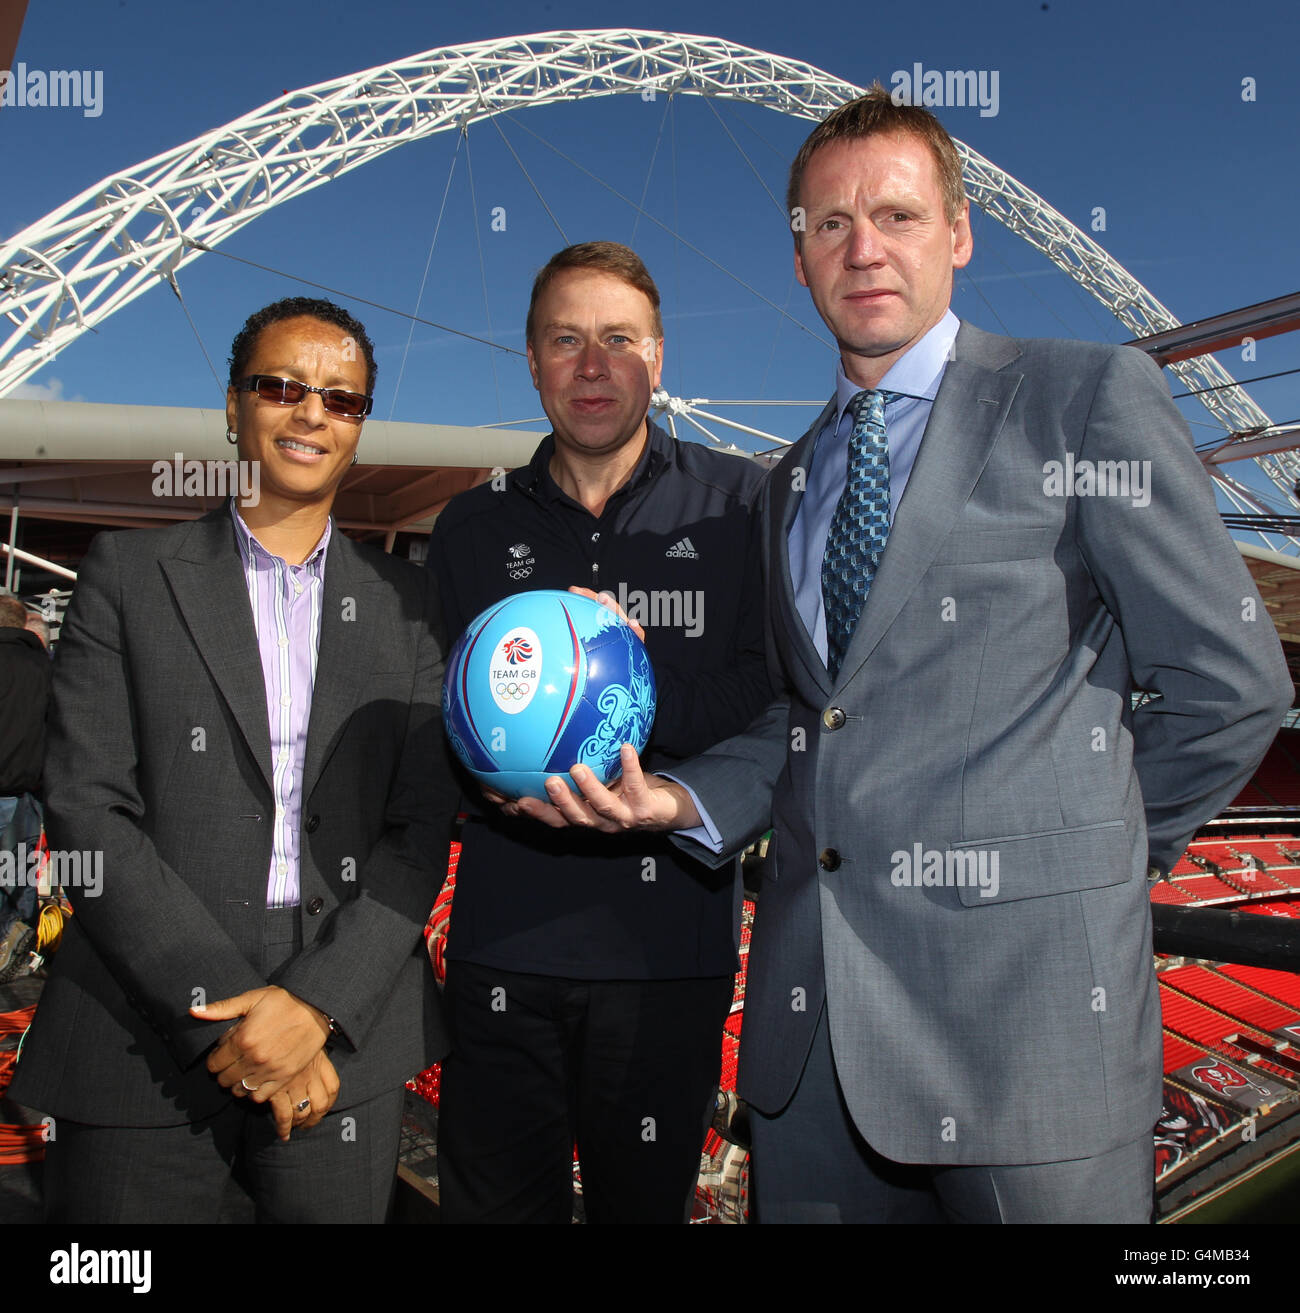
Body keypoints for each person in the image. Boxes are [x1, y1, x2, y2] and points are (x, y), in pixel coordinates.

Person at [512, 91, 1293, 1223]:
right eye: (829, 224)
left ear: (960, 234)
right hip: (815, 1044)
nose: (863, 247)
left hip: (1025, 1032)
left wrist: (1075, 862)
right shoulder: (785, 483)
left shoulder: (1080, 401)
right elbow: (805, 715)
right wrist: (670, 798)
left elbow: (1228, 685)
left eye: (897, 213)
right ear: (798, 257)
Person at [10, 296, 457, 1222]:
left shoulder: (411, 610)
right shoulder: (127, 578)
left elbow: (417, 832)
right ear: (230, 406)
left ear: (359, 428)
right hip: (142, 1038)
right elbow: (88, 805)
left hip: (344, 1049)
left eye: (341, 399)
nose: (311, 413)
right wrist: (228, 1005)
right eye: (281, 386)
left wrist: (316, 1008)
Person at [428, 241, 769, 1223]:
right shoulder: (469, 526)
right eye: (564, 339)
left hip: (667, 951)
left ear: (657, 358)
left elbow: (777, 692)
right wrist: (482, 769)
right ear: (530, 360)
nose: (591, 364)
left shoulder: (744, 505)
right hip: (505, 947)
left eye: (617, 339)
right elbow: (439, 708)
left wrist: (625, 697)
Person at [0, 593, 50, 982]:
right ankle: (15, 947)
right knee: (16, 877)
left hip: (16, 793)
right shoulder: (46, 667)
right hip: (28, 792)